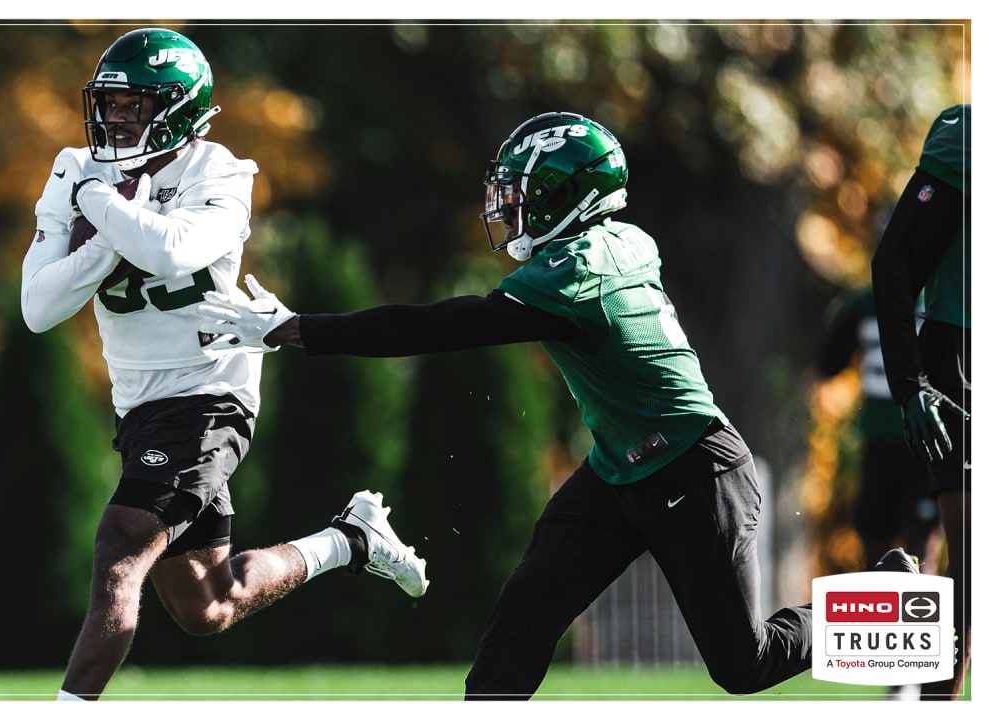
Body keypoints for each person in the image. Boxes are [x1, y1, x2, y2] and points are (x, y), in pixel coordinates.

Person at [199, 111, 919, 698]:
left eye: (522, 191)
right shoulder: (622, 240)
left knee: (745, 666)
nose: (506, 206)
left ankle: (875, 594)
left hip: (692, 470)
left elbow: (443, 328)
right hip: (618, 468)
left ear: (568, 196)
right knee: (524, 615)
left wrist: (301, 330)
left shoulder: (578, 273)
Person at [20, 28, 428, 701]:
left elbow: (172, 251)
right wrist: (103, 234)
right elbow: (39, 305)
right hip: (140, 405)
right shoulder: (76, 166)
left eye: (134, 105)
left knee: (121, 547)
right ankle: (347, 541)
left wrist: (98, 205)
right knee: (205, 604)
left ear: (179, 109)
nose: (115, 118)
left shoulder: (220, 172)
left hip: (210, 395)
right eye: (110, 104)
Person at [870, 103, 971, 701]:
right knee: (970, 570)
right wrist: (908, 385)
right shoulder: (968, 134)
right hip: (961, 354)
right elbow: (893, 261)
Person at [815, 284, 942, 572]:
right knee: (904, 544)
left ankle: (917, 613)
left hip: (907, 440)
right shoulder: (940, 300)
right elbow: (829, 363)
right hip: (914, 439)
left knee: (907, 545)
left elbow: (827, 364)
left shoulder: (866, 303)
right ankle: (894, 611)